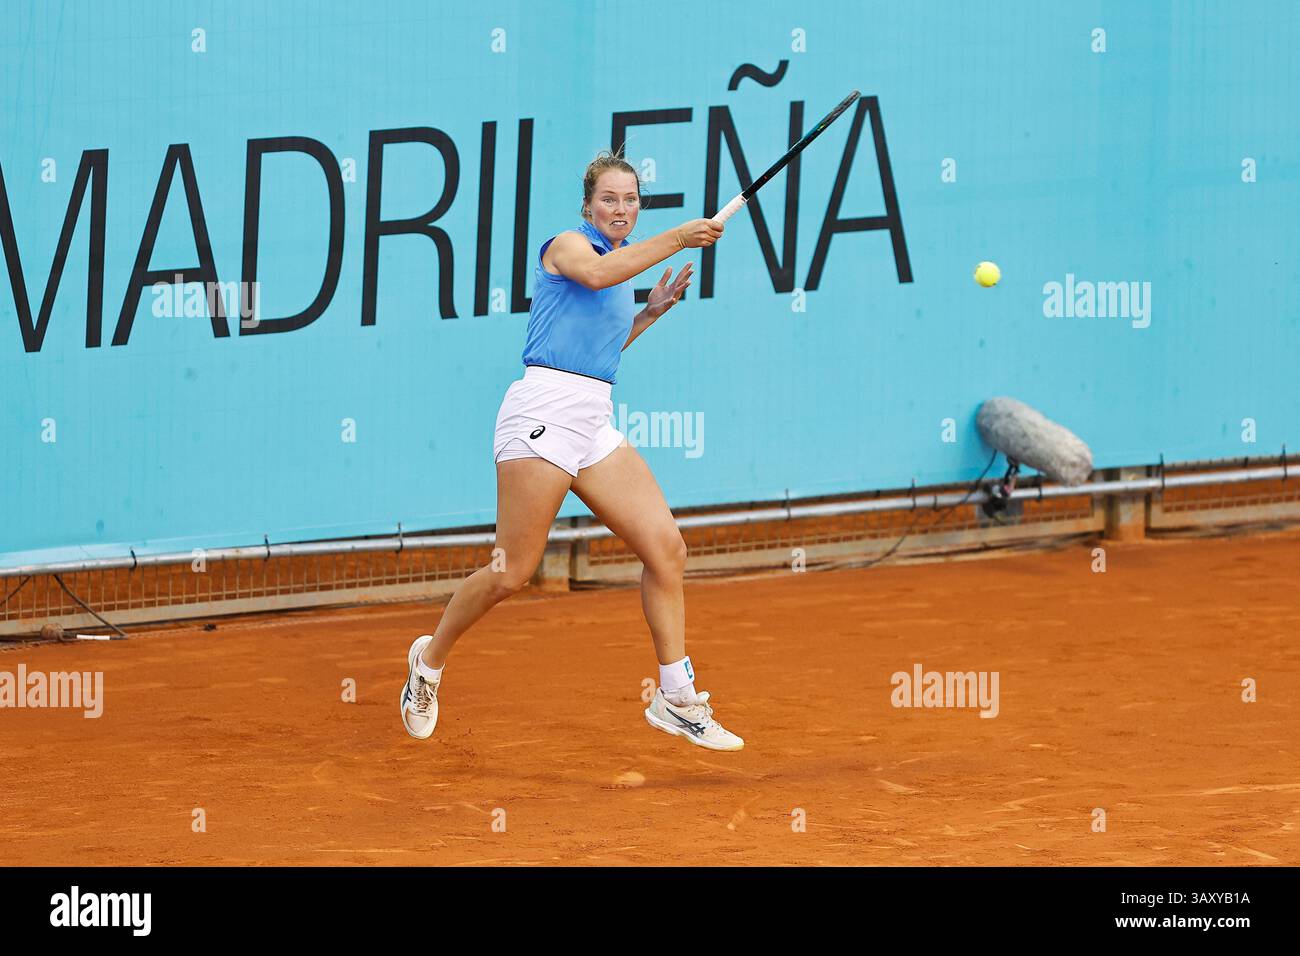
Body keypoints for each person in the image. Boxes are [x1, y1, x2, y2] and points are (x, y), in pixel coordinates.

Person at [399, 150, 743, 752]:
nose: (620, 208)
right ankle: (428, 663)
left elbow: (599, 350)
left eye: (630, 199)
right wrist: (682, 236)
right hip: (540, 415)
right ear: (588, 206)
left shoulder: (620, 263)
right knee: (512, 572)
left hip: (590, 418)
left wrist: (648, 315)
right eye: (609, 198)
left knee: (667, 549)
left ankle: (674, 697)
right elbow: (596, 278)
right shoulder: (568, 247)